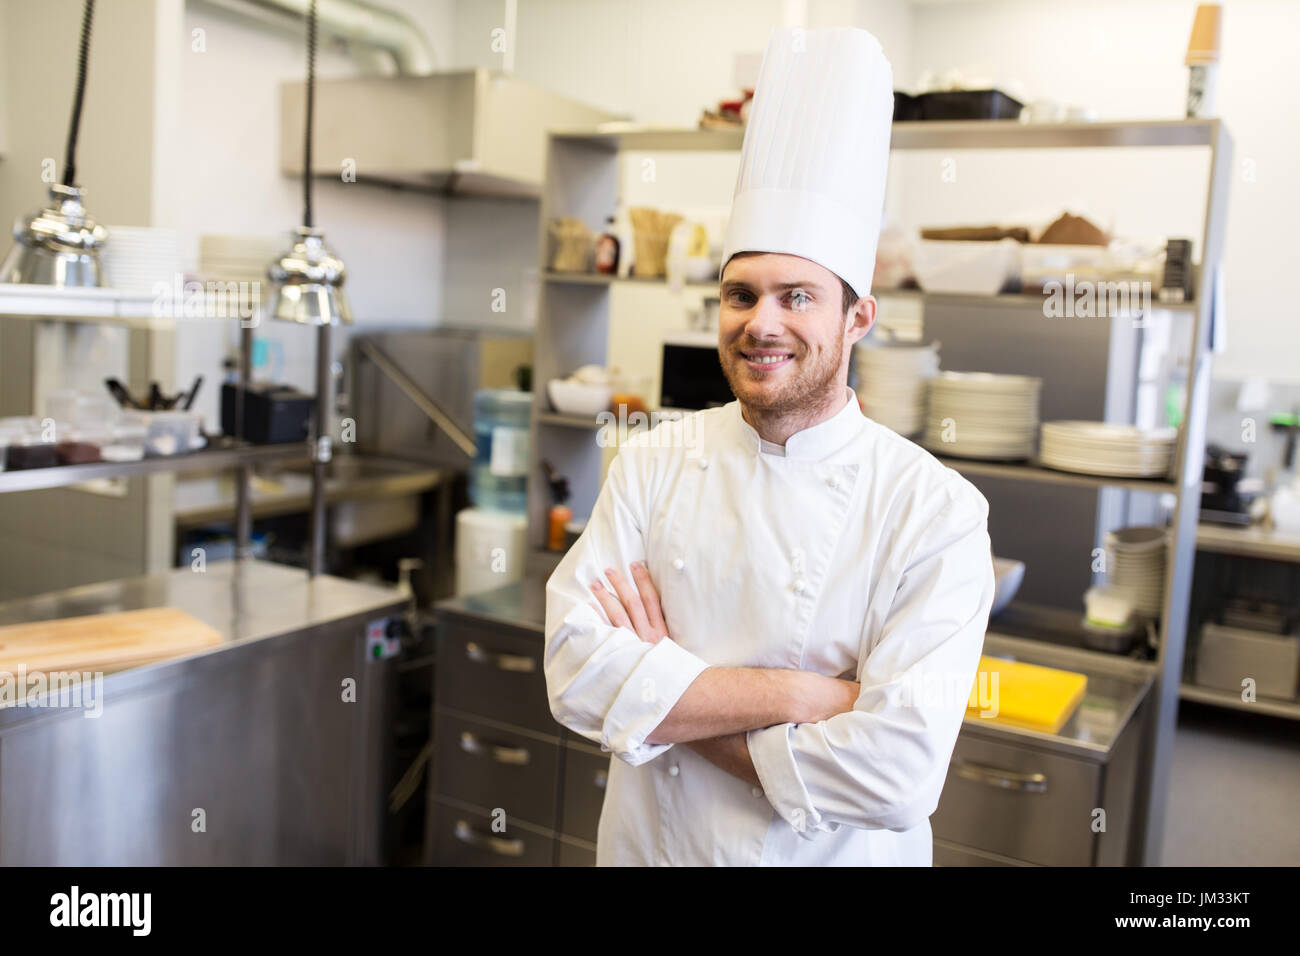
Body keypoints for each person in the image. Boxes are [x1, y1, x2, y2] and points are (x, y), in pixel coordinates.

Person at [543, 25, 995, 866]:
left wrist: (659, 691)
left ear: (857, 317)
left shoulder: (934, 513)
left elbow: (896, 775)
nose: (763, 324)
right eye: (740, 294)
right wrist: (802, 696)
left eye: (798, 296)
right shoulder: (650, 461)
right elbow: (573, 674)